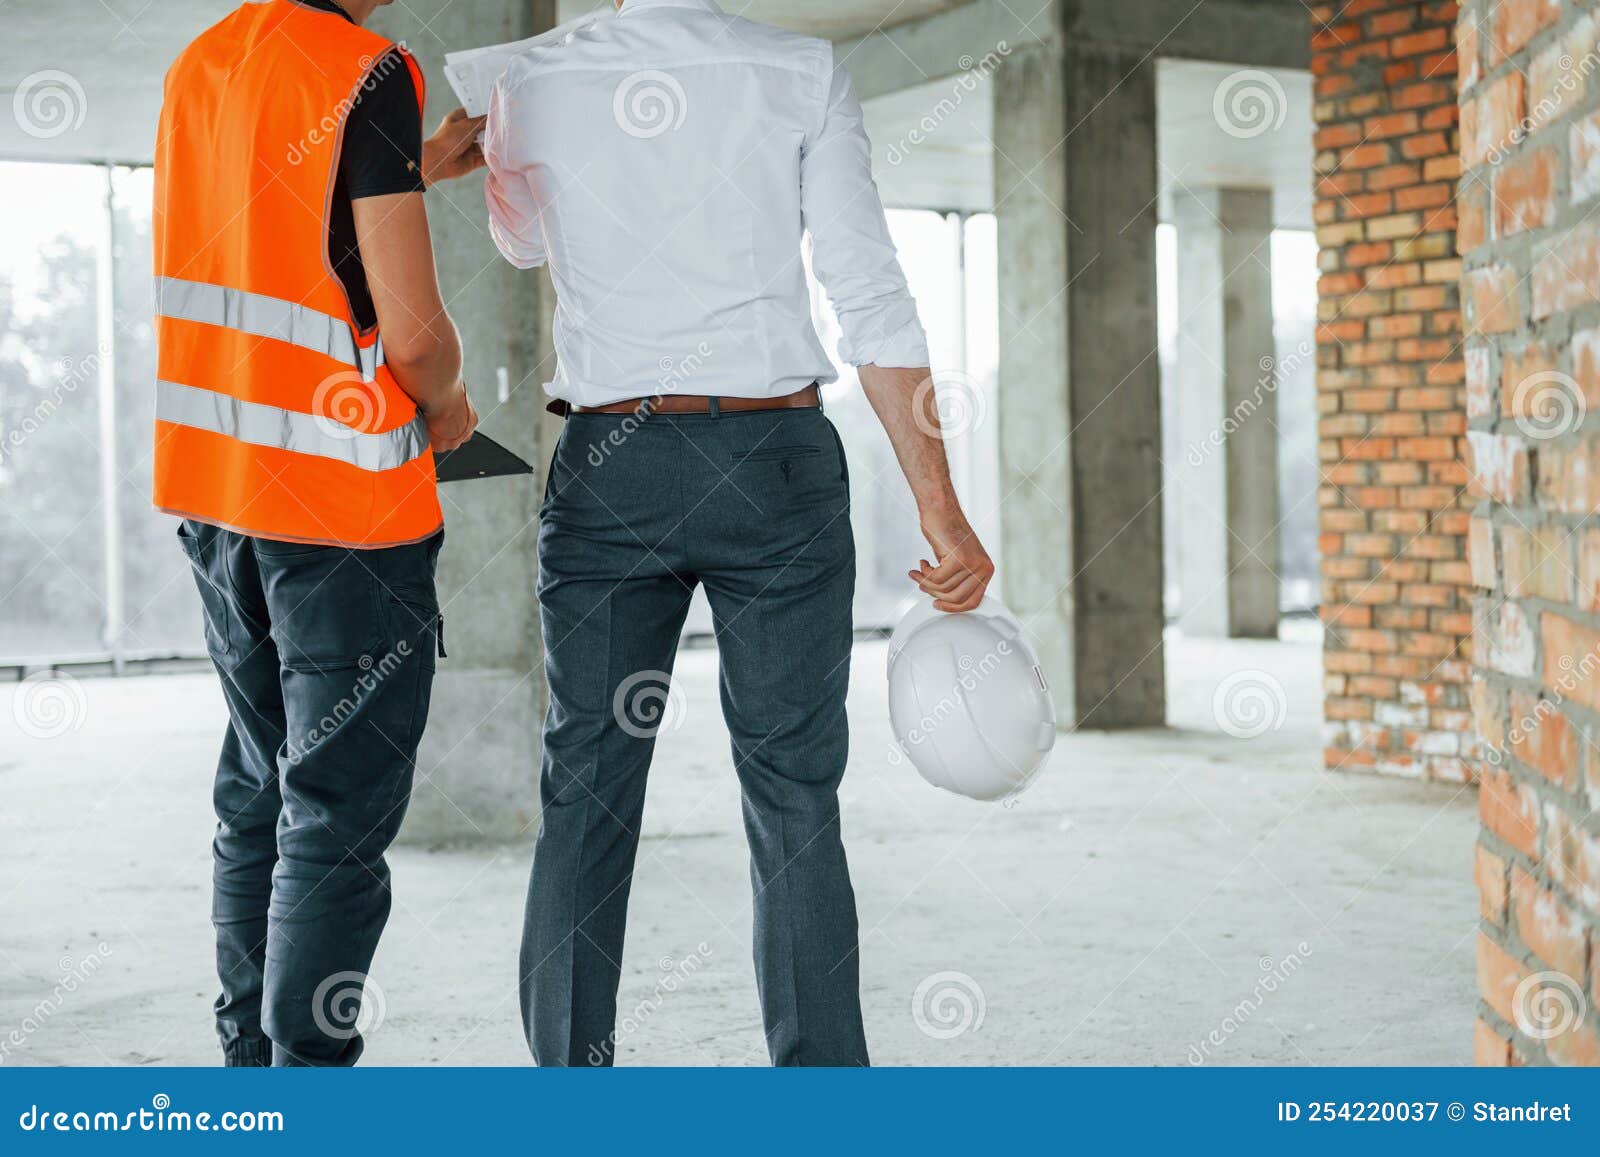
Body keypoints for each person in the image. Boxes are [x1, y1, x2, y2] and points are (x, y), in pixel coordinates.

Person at [484, 0, 995, 1066]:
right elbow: (869, 290)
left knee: (586, 780)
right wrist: (942, 512)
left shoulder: (527, 79)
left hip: (611, 460)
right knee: (793, 786)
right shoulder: (800, 69)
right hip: (775, 459)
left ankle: (571, 1092)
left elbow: (521, 239)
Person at [152, 0, 482, 1065]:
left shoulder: (203, 63)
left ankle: (251, 1061)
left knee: (260, 786)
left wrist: (413, 163)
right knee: (334, 814)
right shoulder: (365, 69)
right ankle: (309, 1087)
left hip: (218, 488)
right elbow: (418, 335)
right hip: (340, 511)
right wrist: (450, 407)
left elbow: (275, 224)